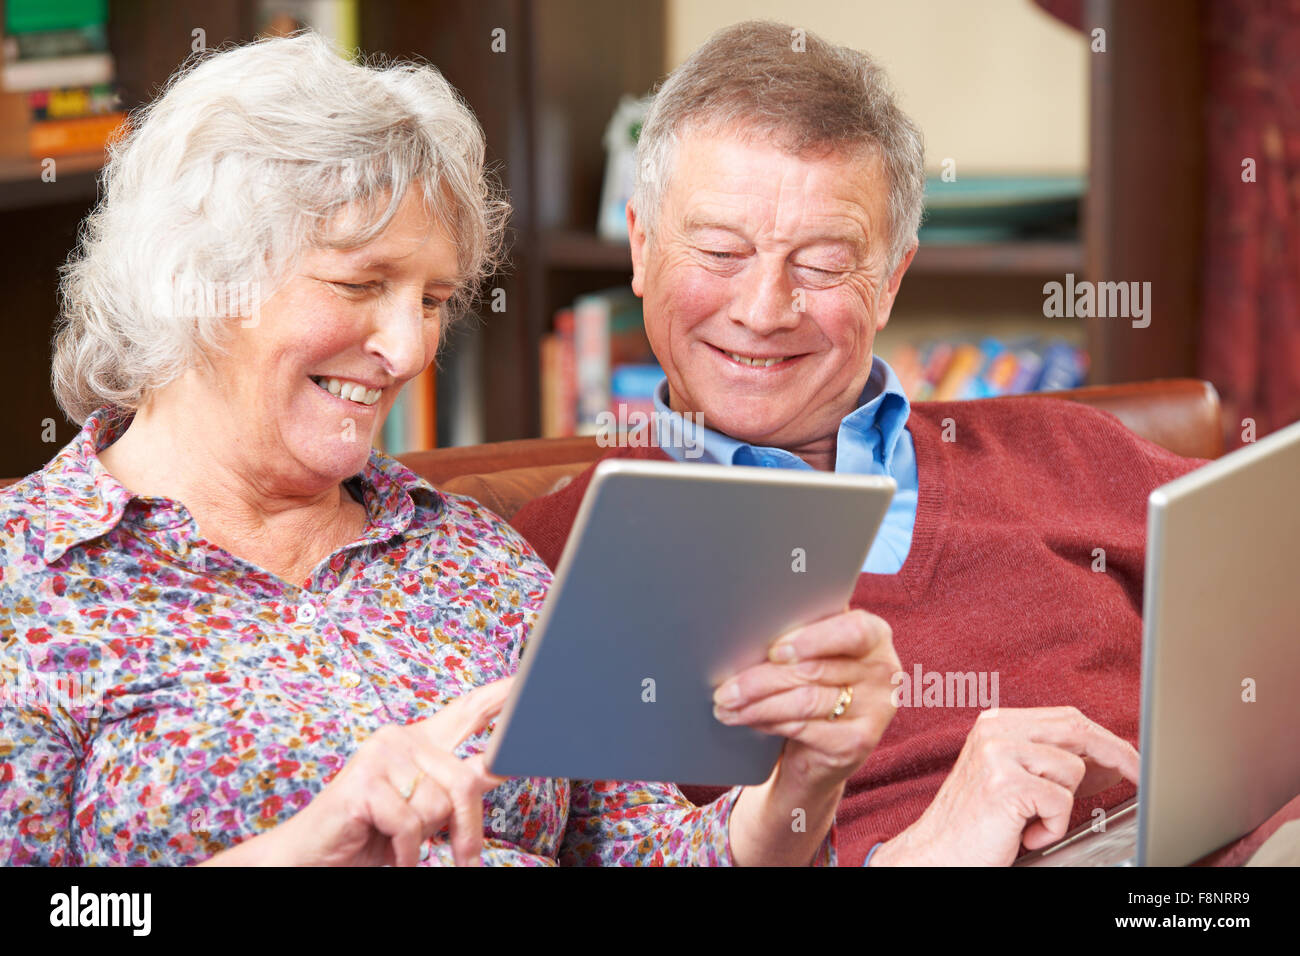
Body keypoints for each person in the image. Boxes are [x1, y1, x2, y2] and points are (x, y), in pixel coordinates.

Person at [0, 32, 902, 866]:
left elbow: (651, 854)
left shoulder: (476, 559)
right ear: (196, 281)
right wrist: (311, 844)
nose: (408, 349)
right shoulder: (28, 582)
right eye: (361, 284)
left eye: (430, 300)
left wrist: (805, 779)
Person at [509, 20, 1204, 866]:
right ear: (643, 249)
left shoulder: (1070, 451)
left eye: (823, 263)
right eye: (721, 251)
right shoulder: (549, 561)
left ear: (891, 280)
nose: (764, 309)